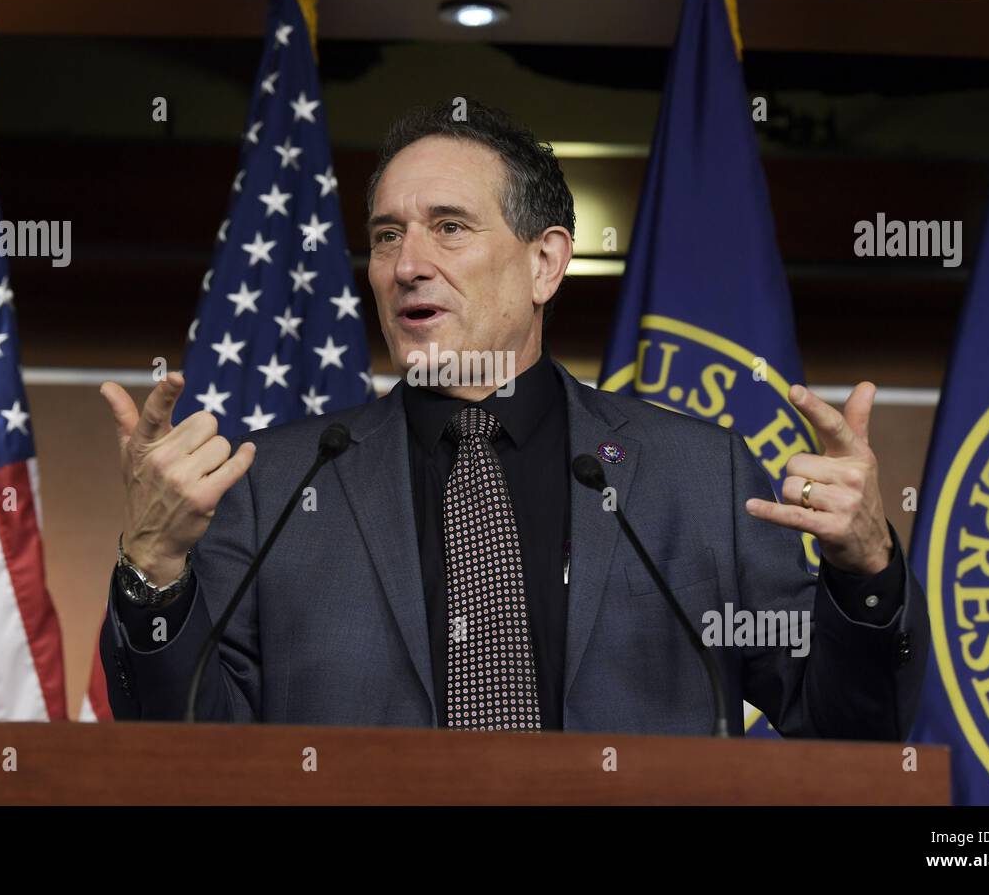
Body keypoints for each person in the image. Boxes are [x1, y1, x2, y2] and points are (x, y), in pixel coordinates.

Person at [98, 101, 928, 736]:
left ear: (545, 262)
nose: (407, 265)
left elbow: (850, 730)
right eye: (387, 237)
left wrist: (865, 568)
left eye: (448, 228)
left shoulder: (695, 476)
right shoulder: (273, 483)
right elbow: (192, 758)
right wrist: (154, 565)